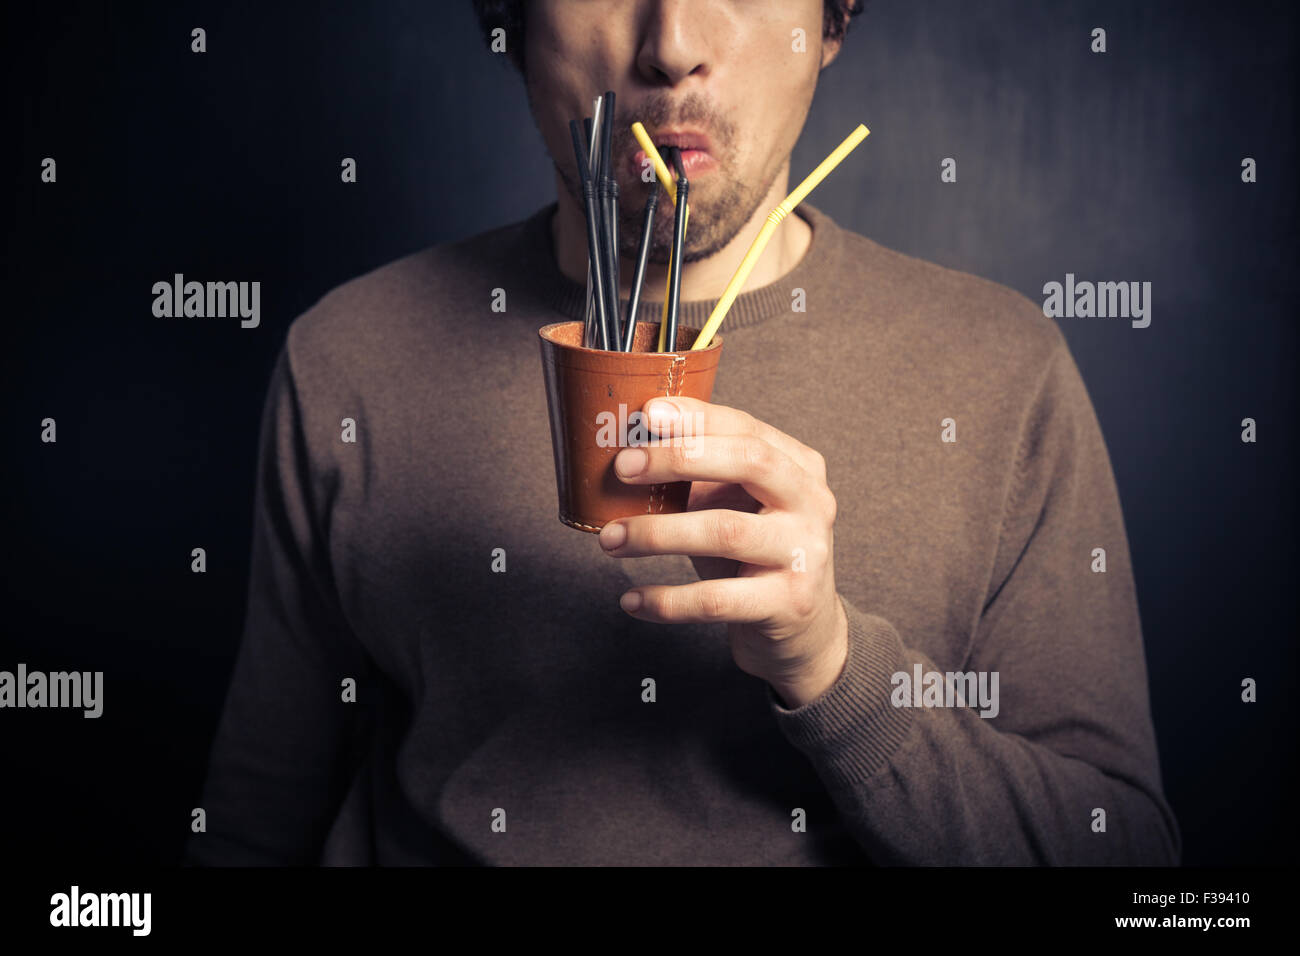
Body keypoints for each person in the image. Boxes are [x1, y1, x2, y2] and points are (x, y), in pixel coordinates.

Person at [186, 0, 1180, 865]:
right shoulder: (349, 357)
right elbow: (251, 829)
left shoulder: (1001, 366)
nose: (670, 46)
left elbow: (1125, 853)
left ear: (828, 22)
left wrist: (832, 667)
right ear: (515, 22)